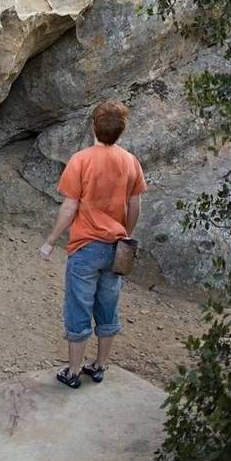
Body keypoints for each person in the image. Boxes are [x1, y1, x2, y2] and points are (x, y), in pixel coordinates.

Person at [39, 100, 147, 389]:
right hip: (116, 247)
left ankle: (73, 371)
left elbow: (69, 207)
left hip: (85, 247)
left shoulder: (81, 160)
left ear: (93, 127)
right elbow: (135, 204)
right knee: (108, 305)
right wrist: (125, 233)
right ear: (122, 131)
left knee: (79, 305)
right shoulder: (130, 161)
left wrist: (50, 241)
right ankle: (99, 365)